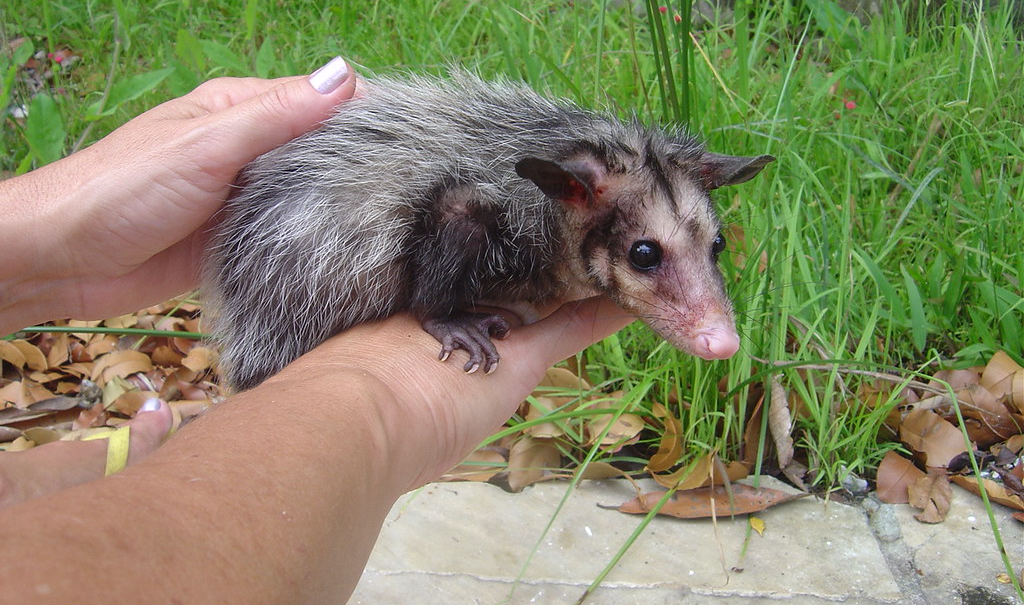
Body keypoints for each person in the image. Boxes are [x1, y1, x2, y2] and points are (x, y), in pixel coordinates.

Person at [0, 57, 632, 603]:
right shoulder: (507, 200)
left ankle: (62, 476)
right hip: (296, 294)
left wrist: (47, 242)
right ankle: (150, 463)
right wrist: (375, 400)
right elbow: (458, 212)